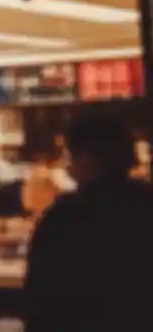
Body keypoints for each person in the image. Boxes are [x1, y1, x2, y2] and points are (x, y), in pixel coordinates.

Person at [24, 115, 153, 332]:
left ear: (87, 159)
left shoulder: (64, 217)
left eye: (70, 155)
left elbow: (40, 297)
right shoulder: (145, 206)